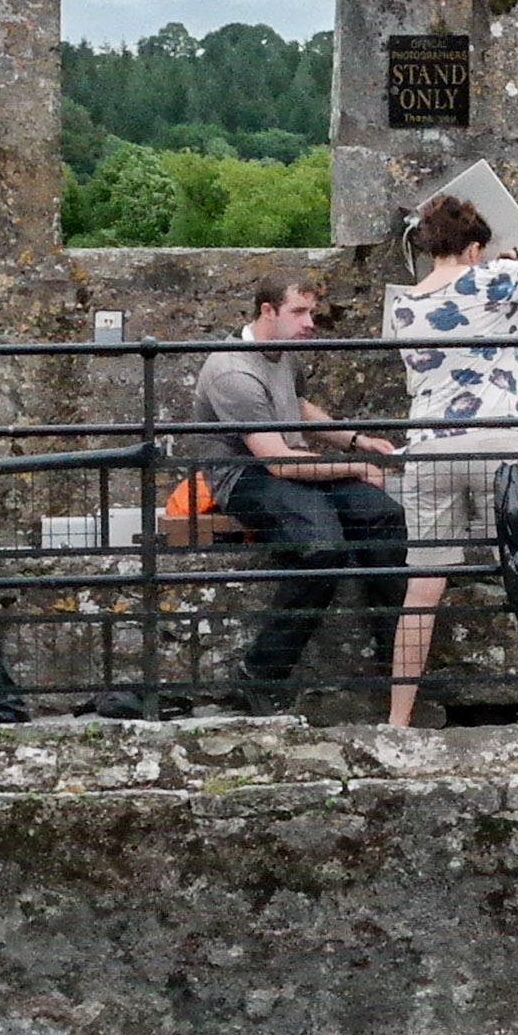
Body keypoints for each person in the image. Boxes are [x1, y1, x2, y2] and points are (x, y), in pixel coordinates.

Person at [378, 192, 518, 729]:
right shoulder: (490, 280)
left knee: (421, 591)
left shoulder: (403, 303)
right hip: (498, 443)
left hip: (428, 447)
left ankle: (397, 721)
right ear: (473, 247)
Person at [191, 278, 403, 716]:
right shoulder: (233, 371)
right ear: (268, 311)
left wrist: (356, 439)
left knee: (382, 514)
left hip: (290, 461)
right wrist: (356, 466)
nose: (310, 324)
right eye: (300, 313)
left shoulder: (283, 351)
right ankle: (261, 674)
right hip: (245, 477)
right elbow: (276, 463)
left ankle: (396, 662)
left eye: (312, 313)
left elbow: (300, 406)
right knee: (322, 548)